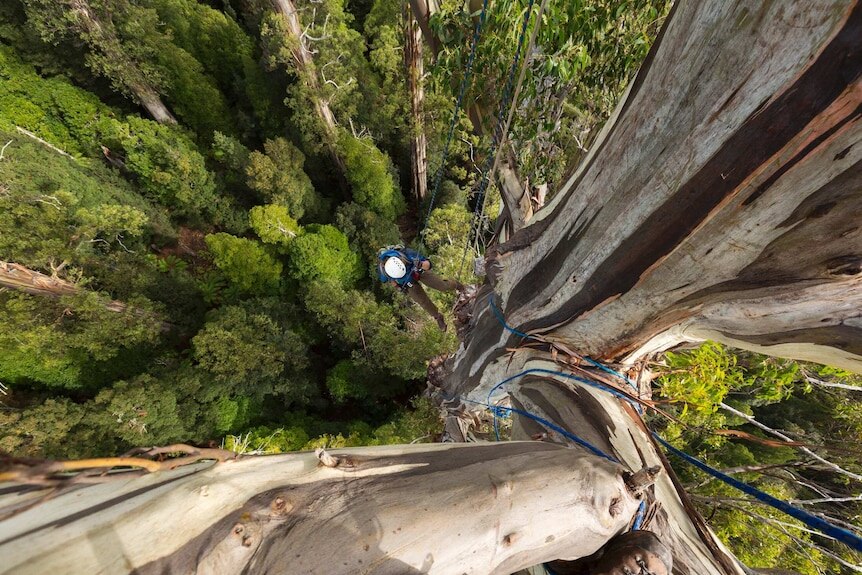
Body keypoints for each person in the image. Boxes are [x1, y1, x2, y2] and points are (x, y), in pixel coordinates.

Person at [377, 246, 463, 331]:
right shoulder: (384, 270)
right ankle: (438, 316)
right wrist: (398, 287)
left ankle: (458, 286)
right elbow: (390, 280)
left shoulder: (406, 254)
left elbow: (428, 264)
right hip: (407, 282)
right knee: (422, 301)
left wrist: (420, 264)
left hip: (417, 271)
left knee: (442, 286)